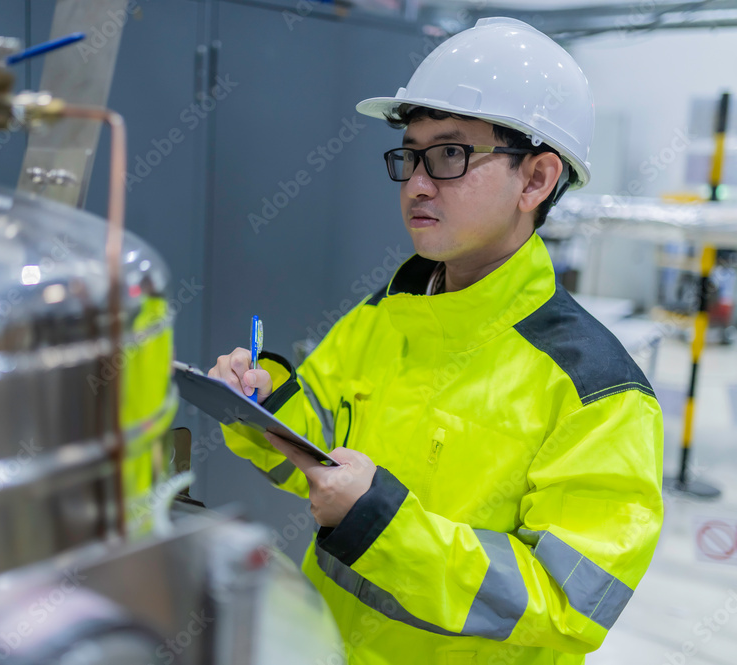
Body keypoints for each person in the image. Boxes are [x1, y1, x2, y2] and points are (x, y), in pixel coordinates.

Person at [209, 17, 663, 665]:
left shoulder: (598, 393)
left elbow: (567, 607)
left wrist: (382, 525)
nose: (417, 182)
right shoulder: (388, 313)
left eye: (450, 154)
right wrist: (265, 401)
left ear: (535, 180)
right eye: (411, 153)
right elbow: (319, 447)